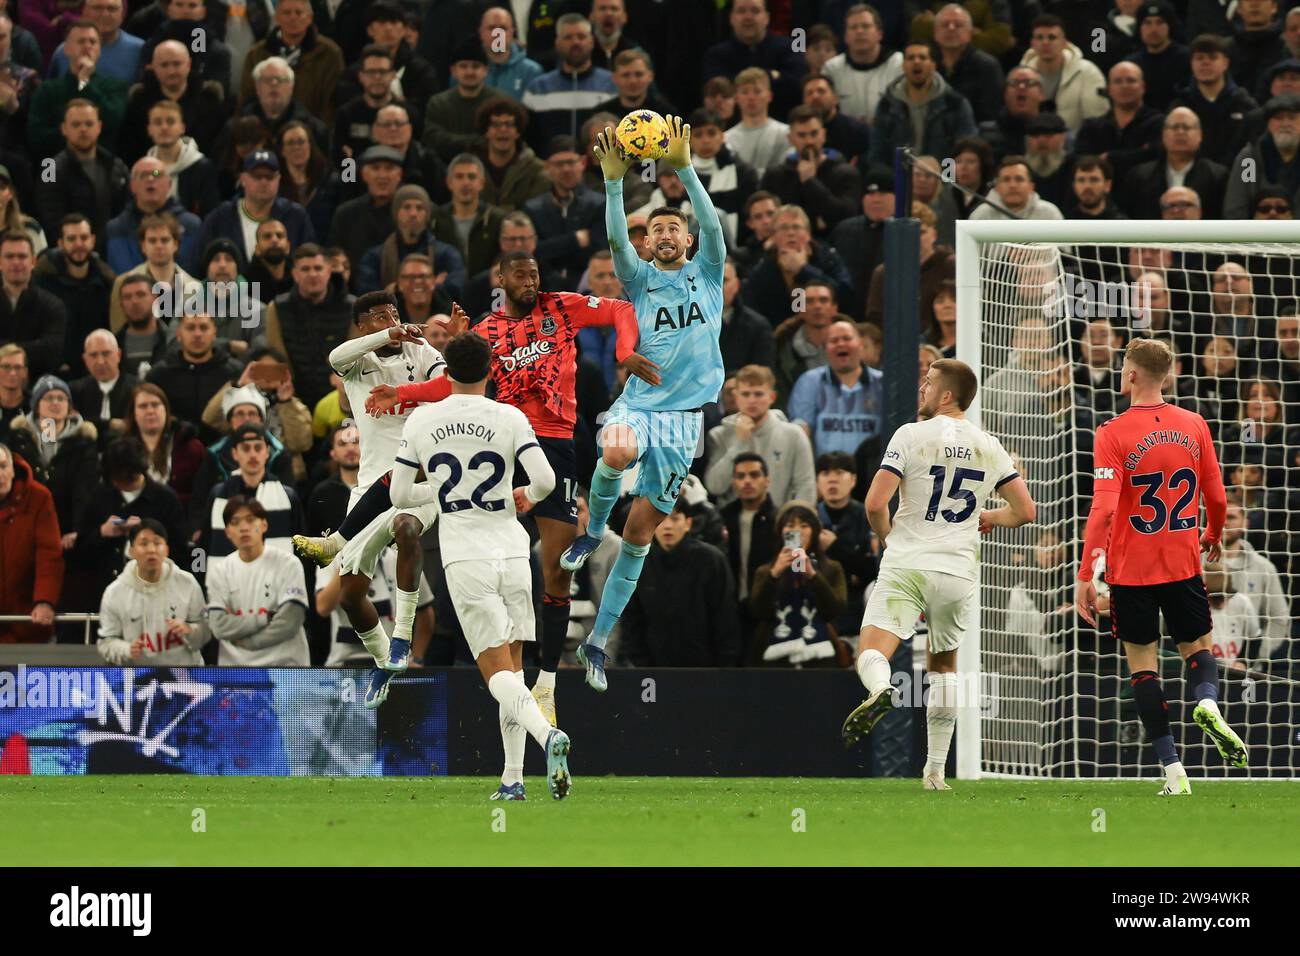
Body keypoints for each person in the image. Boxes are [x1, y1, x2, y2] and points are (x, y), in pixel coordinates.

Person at [325, 249, 645, 723]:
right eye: (520, 275)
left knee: (554, 569)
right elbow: (457, 377)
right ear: (500, 279)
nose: (531, 282)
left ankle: (546, 683)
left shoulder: (562, 306)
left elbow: (620, 307)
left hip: (549, 440)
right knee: (385, 568)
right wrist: (412, 388)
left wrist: (624, 352)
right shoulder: (485, 331)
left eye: (535, 273)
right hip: (498, 441)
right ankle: (419, 645)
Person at [559, 114, 725, 694]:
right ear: (647, 243)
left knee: (641, 535)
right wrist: (611, 183)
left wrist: (684, 169)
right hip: (641, 404)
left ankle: (597, 643)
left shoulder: (708, 275)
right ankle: (590, 530)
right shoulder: (638, 280)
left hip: (685, 423)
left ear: (687, 238)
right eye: (655, 229)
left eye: (674, 227)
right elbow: (612, 241)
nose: (665, 234)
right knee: (617, 448)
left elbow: (712, 222)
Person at [389, 330, 569, 798]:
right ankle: (512, 780)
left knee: (495, 674)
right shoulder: (509, 416)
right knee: (513, 670)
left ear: (445, 371)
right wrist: (524, 495)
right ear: (492, 370)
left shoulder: (423, 422)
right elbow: (547, 480)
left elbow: (399, 495)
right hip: (512, 549)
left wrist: (448, 497)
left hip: (465, 555)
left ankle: (548, 735)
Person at [843, 359, 1036, 791]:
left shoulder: (911, 434)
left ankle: (879, 689)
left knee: (872, 648)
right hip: (957, 571)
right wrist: (988, 516)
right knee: (944, 665)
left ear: (946, 395)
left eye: (928, 383)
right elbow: (1025, 511)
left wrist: (888, 538)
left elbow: (875, 504)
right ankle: (935, 773)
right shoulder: (990, 445)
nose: (922, 390)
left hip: (909, 560)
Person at [1074, 338, 1244, 795]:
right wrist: (1212, 534)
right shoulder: (1193, 424)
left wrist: (1085, 575)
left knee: (1143, 669)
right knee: (1198, 650)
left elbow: (1104, 511)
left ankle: (1173, 772)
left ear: (1131, 375)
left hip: (1131, 573)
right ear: (1165, 376)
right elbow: (1218, 496)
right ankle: (1207, 701)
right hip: (1183, 564)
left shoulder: (1111, 433)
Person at [620, 496, 740, 667]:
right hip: (653, 671)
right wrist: (643, 666)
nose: (668, 525)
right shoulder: (638, 564)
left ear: (688, 523)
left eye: (675, 518)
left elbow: (725, 618)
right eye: (661, 519)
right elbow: (632, 623)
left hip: (705, 670)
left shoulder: (711, 560)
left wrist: (722, 667)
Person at [206, 495, 310, 666]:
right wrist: (264, 618)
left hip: (286, 668)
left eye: (250, 520)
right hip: (235, 672)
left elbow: (290, 621)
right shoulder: (219, 571)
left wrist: (250, 643)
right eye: (235, 522)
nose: (244, 527)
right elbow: (218, 625)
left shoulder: (288, 563)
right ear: (227, 532)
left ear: (264, 525)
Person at [748, 499, 847, 667]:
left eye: (804, 526)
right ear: (780, 531)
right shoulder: (765, 571)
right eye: (790, 525)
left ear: (815, 531)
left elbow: (835, 610)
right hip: (774, 656)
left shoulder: (831, 568)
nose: (797, 531)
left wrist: (813, 576)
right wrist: (774, 574)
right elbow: (758, 611)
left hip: (820, 656)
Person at [96, 517, 207, 664]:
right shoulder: (114, 592)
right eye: (143, 543)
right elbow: (106, 642)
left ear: (166, 550)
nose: (151, 549)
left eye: (157, 543)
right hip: (138, 679)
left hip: (184, 676)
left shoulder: (187, 583)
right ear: (131, 551)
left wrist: (190, 631)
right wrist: (127, 649)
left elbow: (205, 630)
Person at [704, 363, 814, 507]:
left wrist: (790, 524)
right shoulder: (719, 435)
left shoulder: (794, 435)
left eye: (758, 394)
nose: (752, 400)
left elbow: (805, 487)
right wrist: (739, 444)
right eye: (745, 394)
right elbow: (715, 487)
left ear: (772, 396)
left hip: (780, 523)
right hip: (732, 524)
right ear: (736, 396)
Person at [0, 441, 62, 643]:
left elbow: (49, 555)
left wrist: (45, 600)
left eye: (3, 466)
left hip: (28, 620)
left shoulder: (39, 497)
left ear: (12, 468)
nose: (0, 474)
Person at [125, 381, 204, 509]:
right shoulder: (123, 451)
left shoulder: (192, 448)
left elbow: (200, 494)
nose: (150, 411)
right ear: (134, 413)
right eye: (143, 406)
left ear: (166, 410)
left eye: (155, 405)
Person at [1, 230, 68, 380]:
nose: (16, 262)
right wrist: (33, 346)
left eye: (22, 256)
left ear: (33, 262)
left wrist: (5, 351)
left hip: (38, 387)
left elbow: (51, 353)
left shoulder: (53, 306)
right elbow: (41, 350)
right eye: (9, 256)